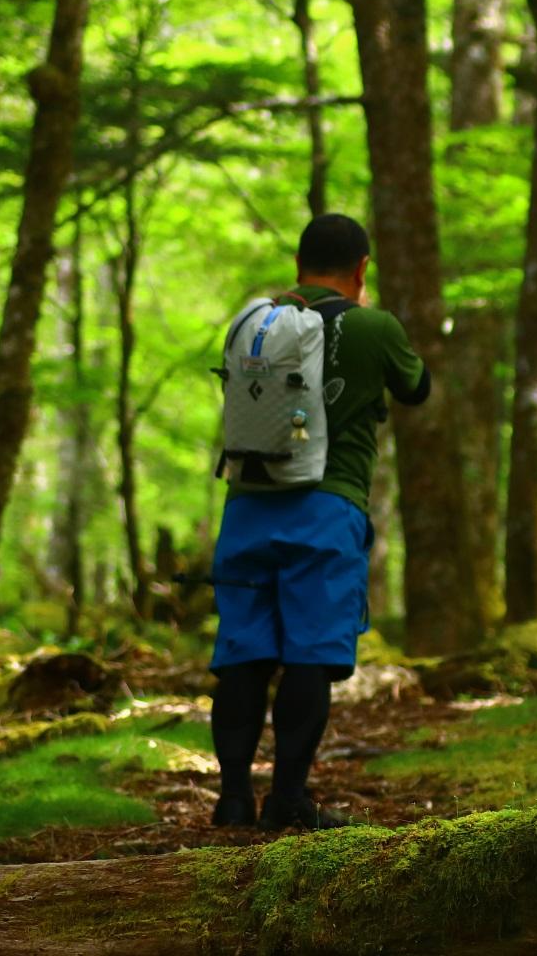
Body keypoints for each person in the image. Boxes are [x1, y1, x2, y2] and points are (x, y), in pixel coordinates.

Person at [209, 213, 430, 830]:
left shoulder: (255, 324)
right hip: (326, 509)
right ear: (362, 269)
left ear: (298, 264)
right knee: (309, 652)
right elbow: (417, 388)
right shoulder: (374, 327)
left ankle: (231, 802)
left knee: (242, 652)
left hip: (248, 505)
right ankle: (287, 800)